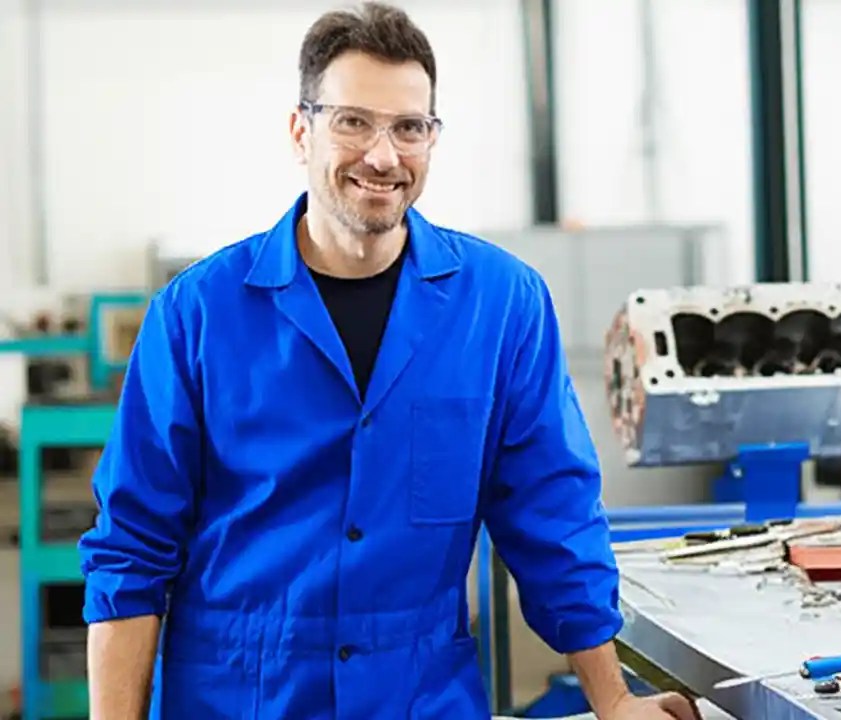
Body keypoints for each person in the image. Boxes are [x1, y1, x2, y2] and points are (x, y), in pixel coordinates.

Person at [77, 3, 700, 719]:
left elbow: (551, 515)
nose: (383, 155)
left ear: (433, 139)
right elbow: (132, 549)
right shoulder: (196, 315)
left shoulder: (500, 306)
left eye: (409, 127)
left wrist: (614, 700)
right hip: (238, 697)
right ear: (300, 130)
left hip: (419, 697)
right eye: (352, 121)